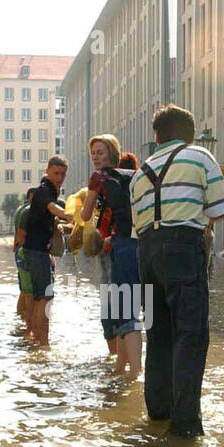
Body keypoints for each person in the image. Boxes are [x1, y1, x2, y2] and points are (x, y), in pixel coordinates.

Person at [131, 104, 224, 437]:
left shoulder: (139, 174)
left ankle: (157, 412)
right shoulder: (200, 156)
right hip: (183, 247)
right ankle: (185, 424)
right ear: (188, 134)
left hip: (146, 253)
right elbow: (218, 209)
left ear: (156, 135)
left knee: (158, 333)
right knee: (190, 334)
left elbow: (138, 227)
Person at [80, 135, 143, 377]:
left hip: (122, 245)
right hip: (141, 243)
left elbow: (85, 216)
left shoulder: (99, 177)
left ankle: (135, 373)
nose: (95, 156)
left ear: (112, 154)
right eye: (93, 152)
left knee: (124, 311)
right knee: (128, 307)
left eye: (100, 152)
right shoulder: (134, 176)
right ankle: (120, 369)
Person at [20, 157, 72, 346]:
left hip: (36, 250)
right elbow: (52, 207)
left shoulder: (49, 190)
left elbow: (47, 216)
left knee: (39, 296)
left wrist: (61, 225)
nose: (60, 178)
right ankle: (43, 343)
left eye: (63, 174)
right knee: (46, 297)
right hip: (37, 251)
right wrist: (68, 214)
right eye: (56, 173)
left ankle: (36, 340)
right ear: (48, 171)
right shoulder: (44, 190)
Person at [12, 195, 34, 322]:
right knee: (29, 292)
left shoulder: (20, 209)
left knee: (24, 290)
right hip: (27, 251)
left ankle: (20, 317)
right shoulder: (28, 211)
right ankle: (28, 324)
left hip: (20, 250)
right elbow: (21, 234)